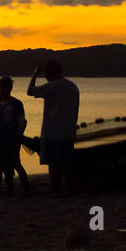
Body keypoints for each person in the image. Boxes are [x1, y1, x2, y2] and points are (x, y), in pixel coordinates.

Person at [26, 60, 79, 197]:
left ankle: (57, 190)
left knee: (54, 164)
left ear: (50, 73)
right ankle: (71, 188)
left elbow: (30, 91)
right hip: (68, 132)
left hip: (52, 133)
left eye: (46, 73)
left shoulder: (52, 86)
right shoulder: (72, 86)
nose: (45, 76)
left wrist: (34, 74)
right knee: (67, 164)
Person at [0, 76, 30, 195]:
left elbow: (22, 121)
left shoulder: (16, 104)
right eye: (0, 88)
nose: (1, 90)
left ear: (9, 88)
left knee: (15, 164)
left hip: (12, 139)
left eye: (3, 88)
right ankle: (1, 190)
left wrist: (19, 135)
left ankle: (26, 190)